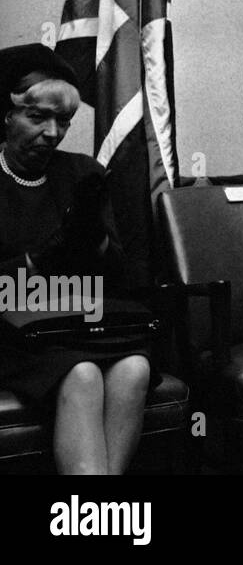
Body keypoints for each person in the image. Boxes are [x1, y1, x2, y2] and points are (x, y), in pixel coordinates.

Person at [0, 44, 152, 474]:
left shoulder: (82, 172)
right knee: (83, 375)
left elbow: (124, 278)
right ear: (6, 114)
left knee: (135, 369)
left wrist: (97, 242)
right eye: (38, 117)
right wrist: (36, 261)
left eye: (63, 121)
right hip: (13, 328)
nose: (52, 132)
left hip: (78, 320)